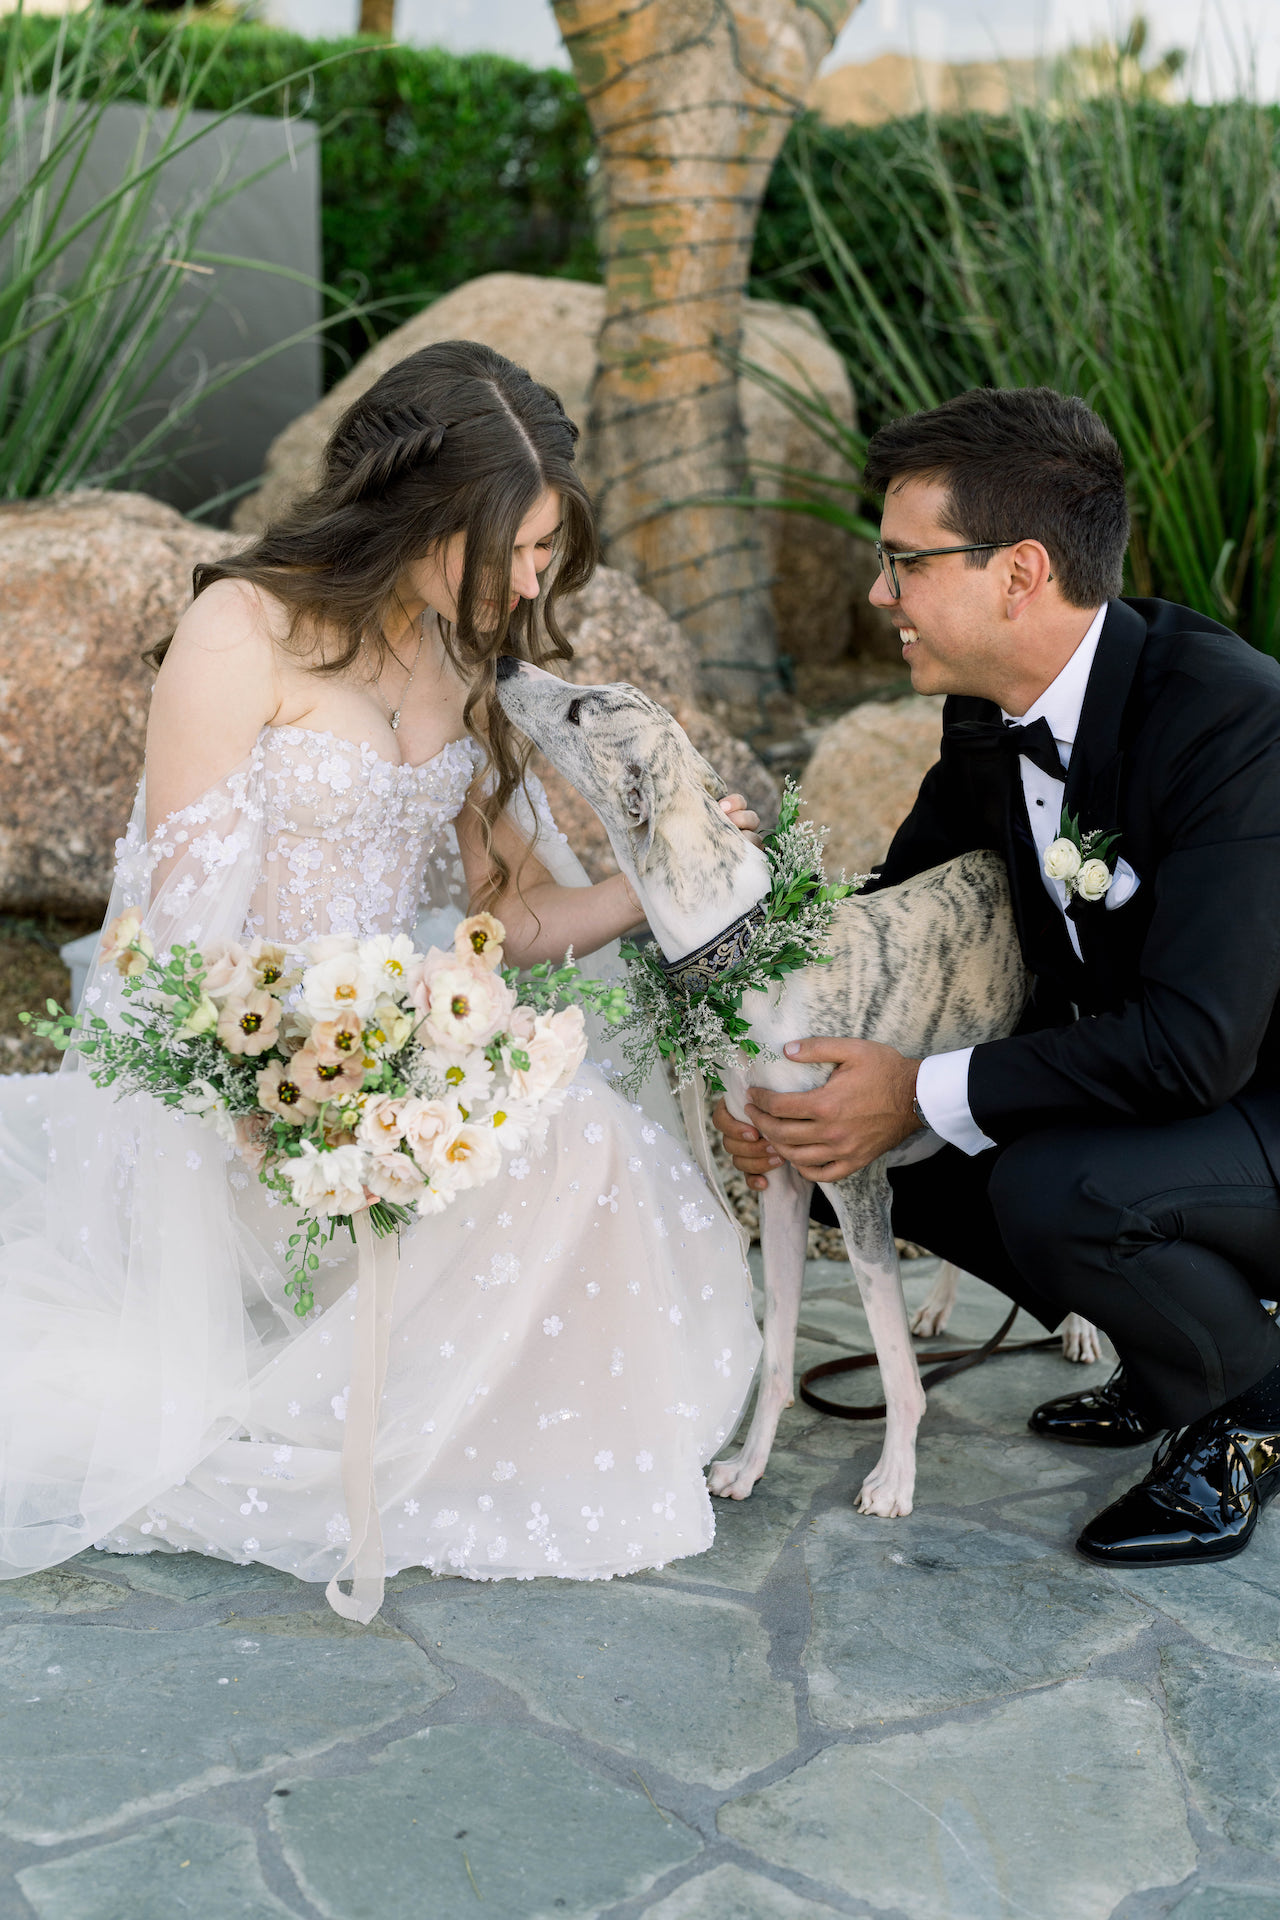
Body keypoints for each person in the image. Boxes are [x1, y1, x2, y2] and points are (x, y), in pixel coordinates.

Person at [0, 340, 762, 1617]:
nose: (531, 585)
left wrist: (670, 885)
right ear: (420, 519)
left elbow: (505, 920)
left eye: (542, 556)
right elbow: (167, 945)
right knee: (555, 1145)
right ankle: (435, 1419)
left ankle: (514, 1428)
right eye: (514, 551)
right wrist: (273, 1093)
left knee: (586, 1135)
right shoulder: (237, 632)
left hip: (403, 1038)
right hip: (242, 1077)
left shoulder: (457, 656)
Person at [716, 385, 1280, 1569]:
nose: (880, 595)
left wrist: (914, 1088)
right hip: (1169, 1096)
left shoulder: (1233, 724)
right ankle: (1171, 1346)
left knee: (1054, 1189)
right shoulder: (986, 715)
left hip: (1251, 1091)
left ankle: (1249, 1409)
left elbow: (1195, 1043)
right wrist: (783, 1064)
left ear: (1017, 574)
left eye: (903, 564)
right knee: (872, 1153)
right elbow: (892, 904)